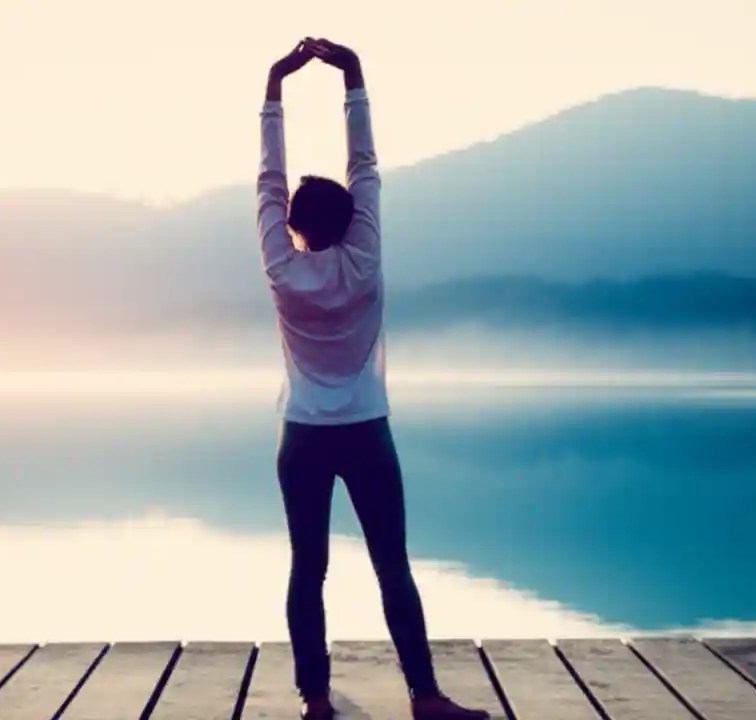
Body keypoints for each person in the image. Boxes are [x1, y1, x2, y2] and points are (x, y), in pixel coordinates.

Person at [258, 38, 491, 720]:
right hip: (365, 434)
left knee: (309, 569)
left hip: (302, 436)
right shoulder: (364, 259)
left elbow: (269, 182)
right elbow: (367, 165)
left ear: (293, 228)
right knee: (393, 565)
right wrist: (351, 74)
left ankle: (318, 700)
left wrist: (275, 85)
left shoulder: (282, 270)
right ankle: (424, 696)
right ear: (354, 223)